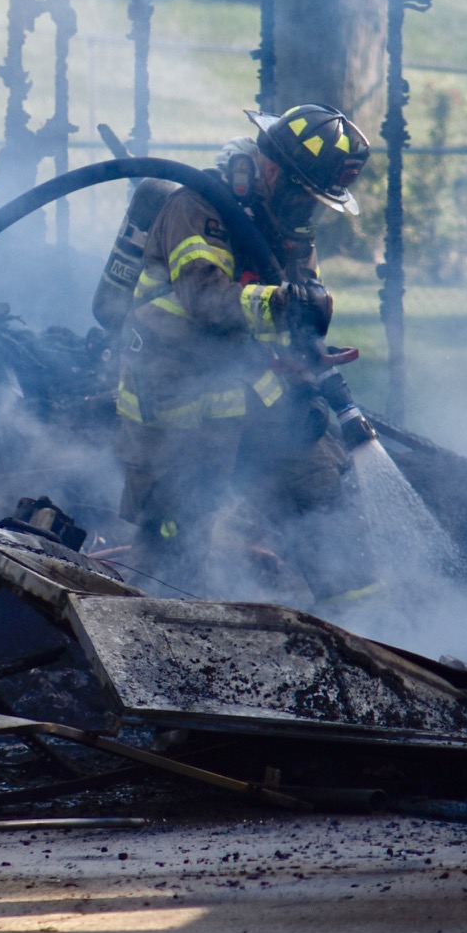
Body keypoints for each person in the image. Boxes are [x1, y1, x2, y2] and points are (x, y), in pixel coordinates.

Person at [114, 103, 374, 601]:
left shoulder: (289, 225)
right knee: (172, 548)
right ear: (272, 169)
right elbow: (205, 298)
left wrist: (308, 349)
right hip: (178, 406)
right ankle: (143, 654)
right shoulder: (199, 208)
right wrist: (285, 305)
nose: (310, 214)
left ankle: (372, 641)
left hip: (257, 393)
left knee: (326, 502)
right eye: (307, 199)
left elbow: (287, 310)